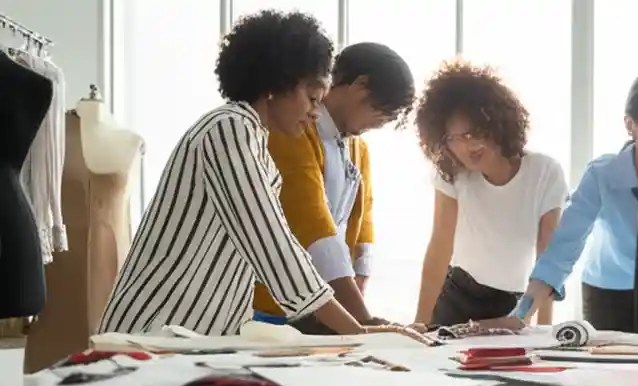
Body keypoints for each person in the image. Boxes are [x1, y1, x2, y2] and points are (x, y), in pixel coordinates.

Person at [99, 11, 424, 342]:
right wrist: (360, 331)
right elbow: (276, 250)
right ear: (276, 86)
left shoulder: (256, 143)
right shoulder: (227, 130)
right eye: (312, 98)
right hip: (153, 327)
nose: (315, 112)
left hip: (195, 335)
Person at [511, 72, 638, 336]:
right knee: (607, 373)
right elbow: (563, 248)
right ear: (630, 125)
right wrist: (522, 314)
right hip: (605, 294)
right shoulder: (602, 174)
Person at [251, 41, 416, 333]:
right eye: (381, 113)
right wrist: (362, 320)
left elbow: (362, 221)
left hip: (324, 298)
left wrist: (357, 287)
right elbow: (312, 225)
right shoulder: (293, 130)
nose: (379, 125)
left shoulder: (357, 147)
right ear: (360, 86)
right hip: (273, 303)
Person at [414, 60, 568, 327]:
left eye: (474, 132)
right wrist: (420, 322)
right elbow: (440, 246)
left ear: (498, 124)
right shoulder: (453, 174)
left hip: (514, 303)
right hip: (457, 295)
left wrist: (543, 330)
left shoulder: (544, 172)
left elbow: (548, 259)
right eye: (454, 138)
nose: (467, 145)